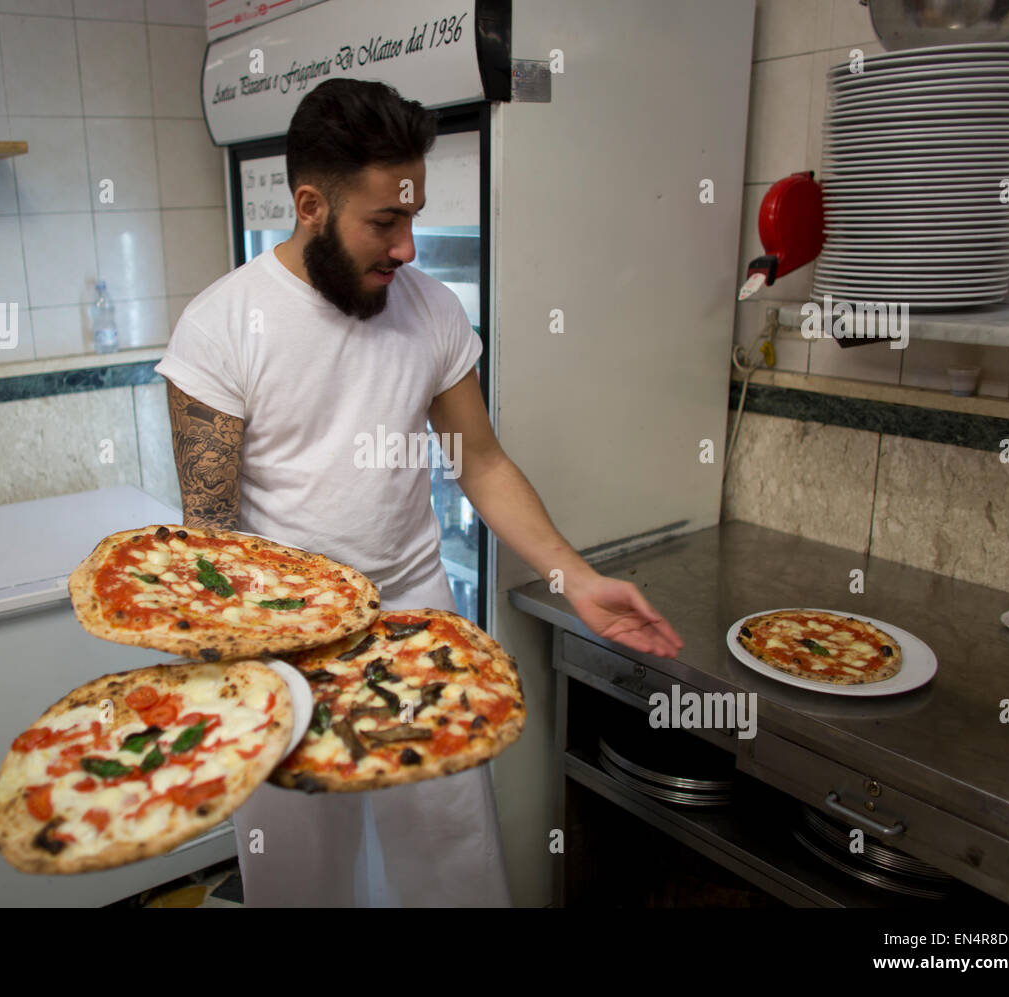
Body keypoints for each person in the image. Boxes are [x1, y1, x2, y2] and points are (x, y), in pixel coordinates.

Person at [156, 78, 683, 907]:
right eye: (385, 221)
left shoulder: (431, 308)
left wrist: (573, 577)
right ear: (309, 206)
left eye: (415, 216)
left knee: (453, 864)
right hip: (283, 644)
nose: (408, 247)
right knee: (301, 880)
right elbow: (211, 538)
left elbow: (480, 461)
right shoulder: (221, 328)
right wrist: (214, 690)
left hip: (414, 621)